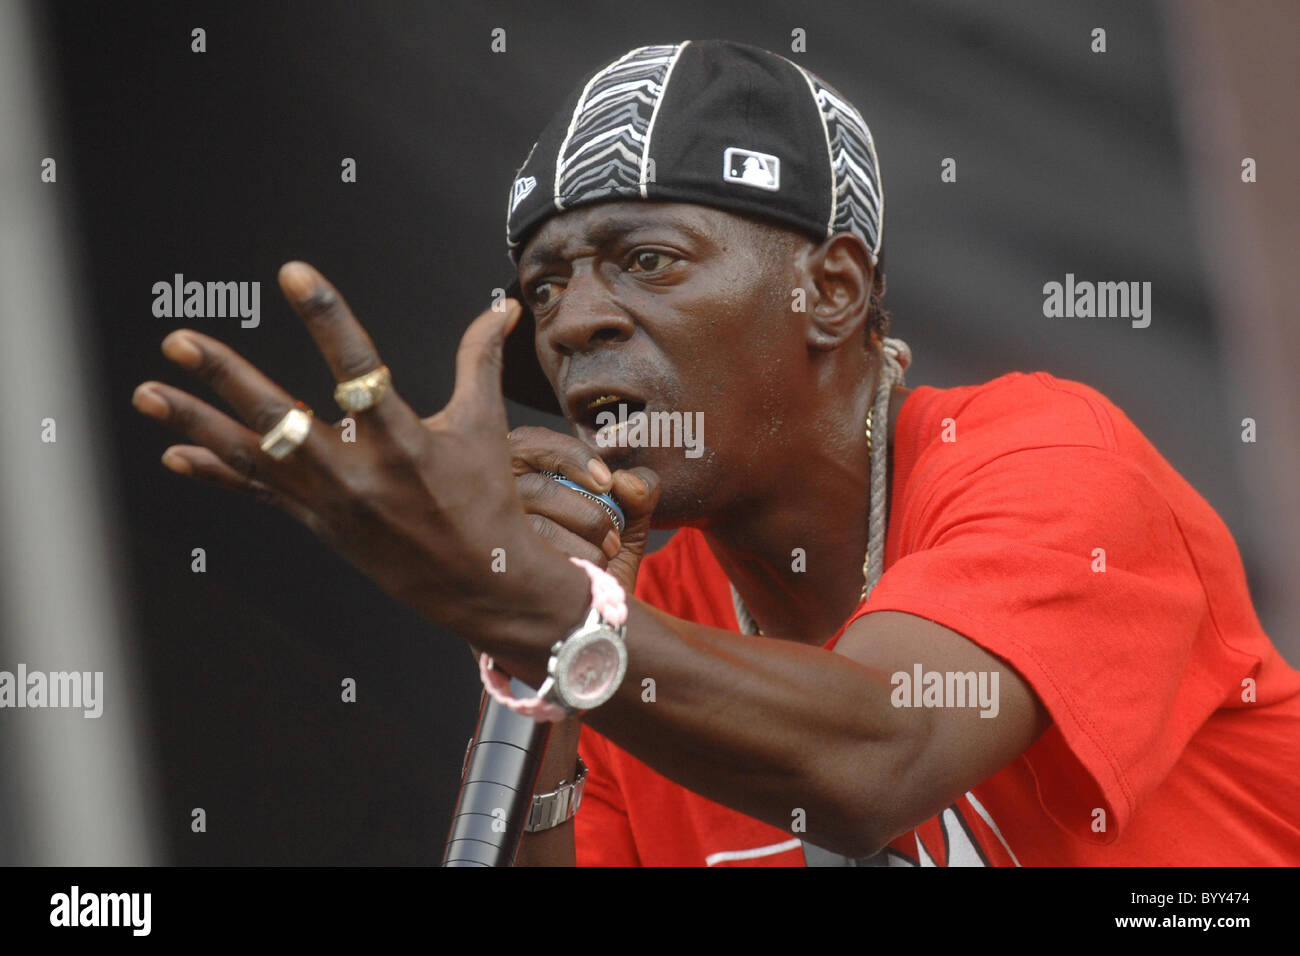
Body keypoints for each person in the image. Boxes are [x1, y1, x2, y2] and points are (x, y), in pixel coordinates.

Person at [134, 40, 1300, 866]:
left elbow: (879, 757)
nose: (574, 318)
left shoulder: (1044, 454)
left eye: (645, 258)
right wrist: (520, 646)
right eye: (545, 283)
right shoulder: (644, 617)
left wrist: (552, 617)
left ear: (829, 288)